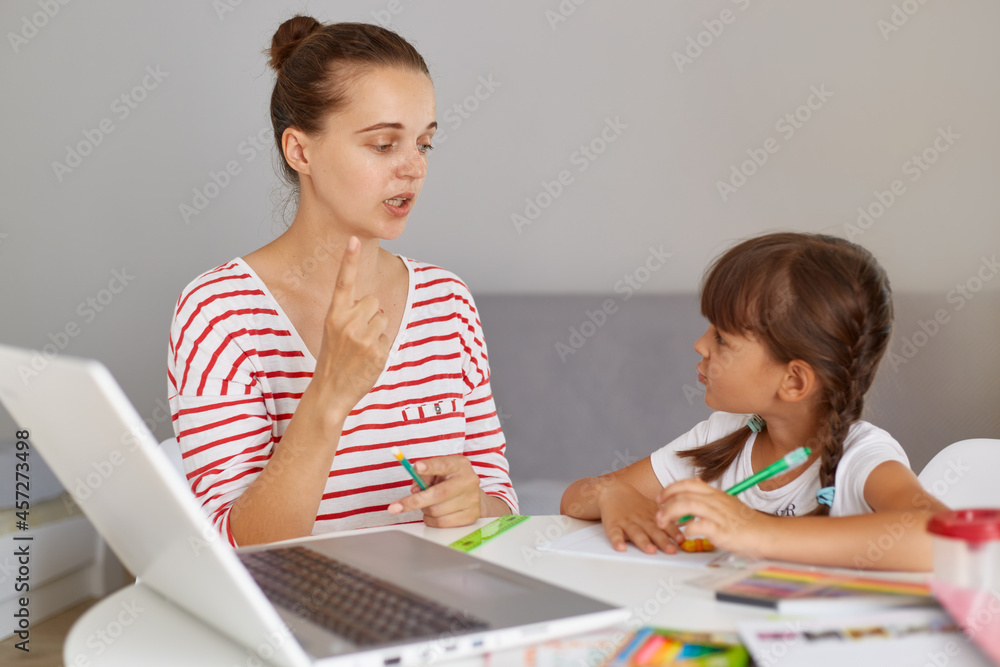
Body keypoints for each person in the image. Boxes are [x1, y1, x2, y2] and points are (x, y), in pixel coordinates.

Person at [168, 17, 517, 547]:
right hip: (296, 599)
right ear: (300, 151)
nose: (414, 168)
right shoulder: (218, 312)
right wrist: (329, 394)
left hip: (435, 591)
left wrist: (474, 504)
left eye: (424, 144)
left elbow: (499, 499)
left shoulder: (448, 302)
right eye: (383, 144)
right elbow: (233, 546)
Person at [561, 232, 947, 571]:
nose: (699, 345)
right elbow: (573, 501)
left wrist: (756, 530)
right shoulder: (721, 436)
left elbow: (947, 539)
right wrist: (610, 493)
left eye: (722, 338)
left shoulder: (861, 457)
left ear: (793, 381)